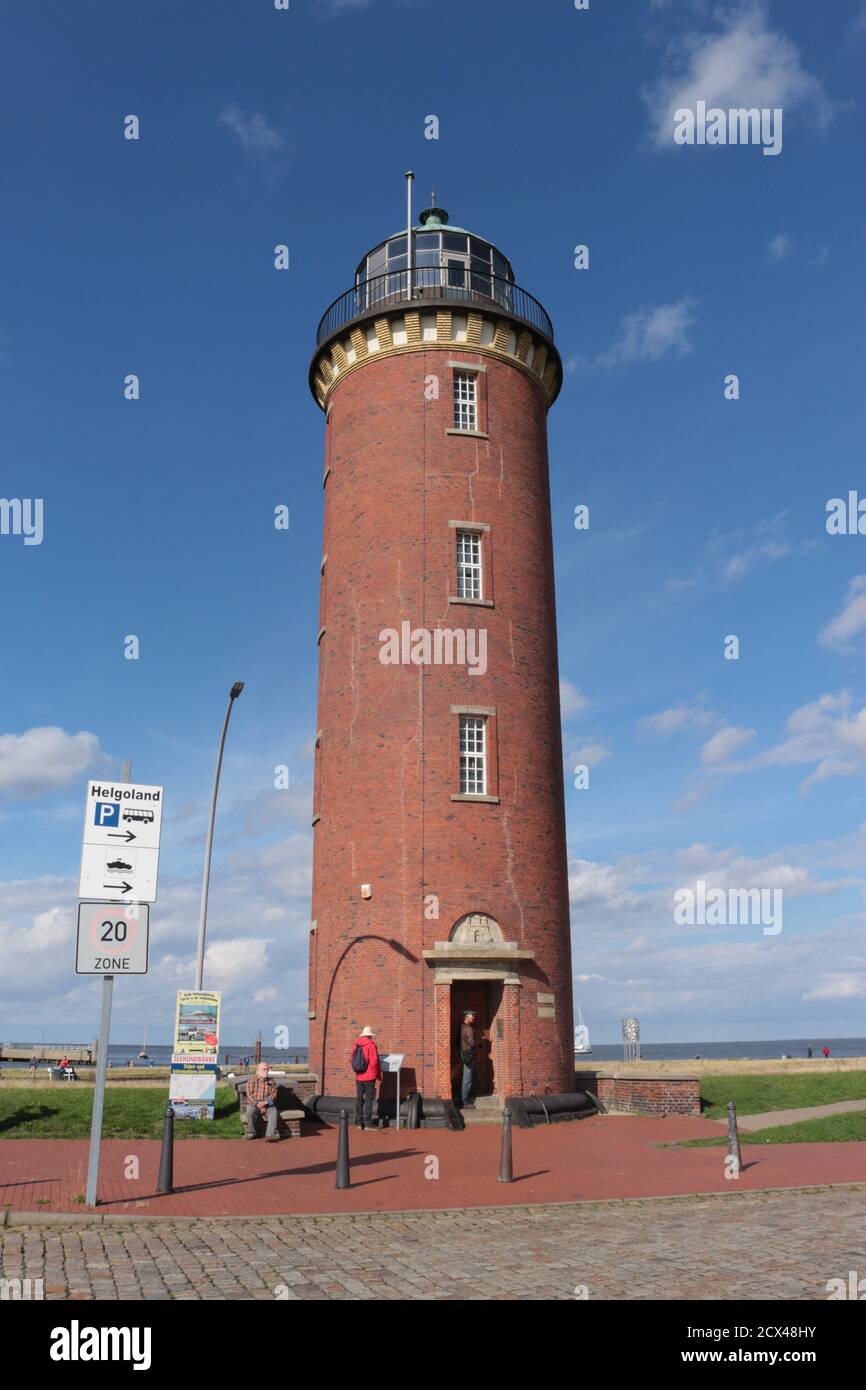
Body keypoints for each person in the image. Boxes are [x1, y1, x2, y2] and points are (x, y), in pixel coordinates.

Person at [351, 1026, 382, 1130]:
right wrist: (378, 1075)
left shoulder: (356, 1045)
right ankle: (368, 1123)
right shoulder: (371, 1045)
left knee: (359, 1099)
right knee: (369, 1100)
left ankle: (360, 1123)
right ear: (369, 1035)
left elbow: (351, 1060)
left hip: (359, 1076)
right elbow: (374, 1062)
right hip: (369, 1076)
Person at [244, 1062, 280, 1141]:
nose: (266, 1071)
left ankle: (270, 1134)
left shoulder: (272, 1081)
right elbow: (249, 1094)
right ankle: (252, 1132)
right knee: (250, 1112)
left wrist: (265, 1103)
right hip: (254, 1104)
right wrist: (257, 1104)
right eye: (264, 1069)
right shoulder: (252, 1080)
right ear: (258, 1070)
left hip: (267, 1104)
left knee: (273, 1112)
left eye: (267, 1069)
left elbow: (274, 1095)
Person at [459, 1011, 477, 1109]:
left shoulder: (462, 1027)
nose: (473, 1017)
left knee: (466, 1079)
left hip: (463, 1054)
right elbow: (471, 1043)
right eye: (472, 1016)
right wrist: (476, 1043)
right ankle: (465, 1102)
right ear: (467, 1017)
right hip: (468, 1055)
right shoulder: (469, 1029)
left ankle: (464, 1100)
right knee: (467, 1080)